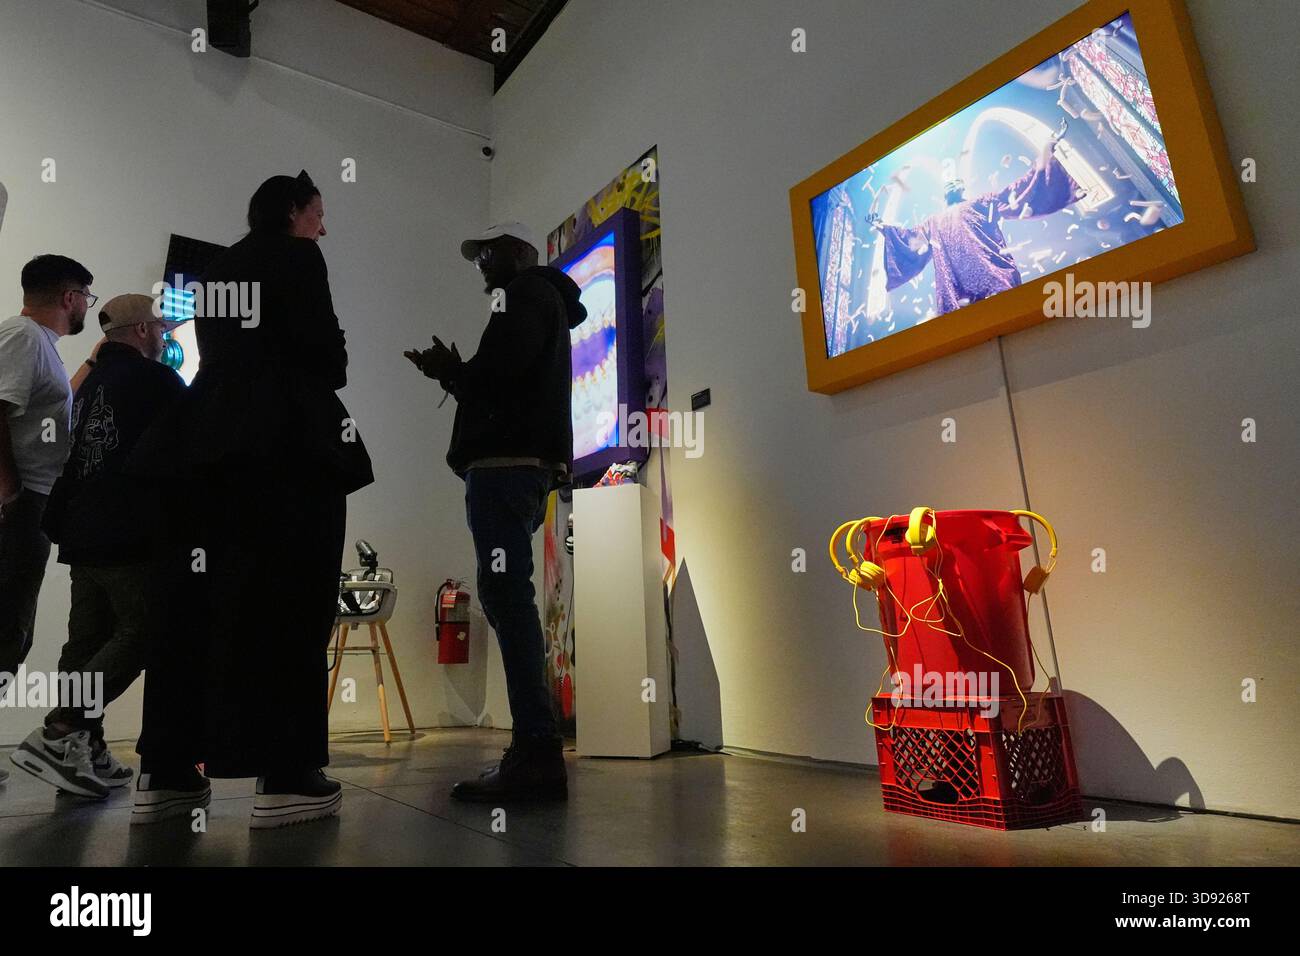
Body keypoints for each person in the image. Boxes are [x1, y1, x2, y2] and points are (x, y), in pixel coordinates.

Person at [132, 171, 373, 827]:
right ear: (294, 210)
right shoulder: (297, 255)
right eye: (319, 213)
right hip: (285, 446)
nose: (323, 227)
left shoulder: (217, 269)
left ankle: (168, 772)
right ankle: (288, 776)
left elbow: (226, 352)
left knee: (189, 610)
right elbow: (328, 357)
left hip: (200, 443)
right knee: (293, 603)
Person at [405, 221, 585, 802]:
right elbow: (507, 383)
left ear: (521, 252)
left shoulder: (527, 294)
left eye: (488, 251)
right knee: (509, 597)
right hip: (516, 470)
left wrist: (453, 372)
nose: (480, 261)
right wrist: (457, 373)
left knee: (508, 597)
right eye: (476, 252)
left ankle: (536, 750)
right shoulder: (536, 298)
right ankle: (535, 747)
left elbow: (500, 378)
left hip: (505, 470)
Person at [8, 295, 184, 799]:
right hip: (127, 531)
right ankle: (62, 729)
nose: (166, 338)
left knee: (85, 642)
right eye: (161, 329)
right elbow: (184, 449)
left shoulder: (82, 387)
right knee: (147, 629)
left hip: (79, 528)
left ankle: (81, 751)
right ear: (145, 331)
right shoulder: (158, 382)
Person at [0, 255, 94, 785]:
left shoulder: (42, 348)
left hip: (32, 503)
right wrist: (9, 490)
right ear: (69, 296)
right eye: (86, 296)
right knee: (7, 626)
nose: (86, 306)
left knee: (12, 627)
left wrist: (93, 364)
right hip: (21, 504)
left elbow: (49, 411)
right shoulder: (23, 338)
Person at [867, 118, 1078, 316]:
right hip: (958, 300)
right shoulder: (933, 223)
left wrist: (1047, 148)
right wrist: (880, 226)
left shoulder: (980, 203)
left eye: (955, 182)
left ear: (962, 188)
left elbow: (1021, 190)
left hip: (995, 285)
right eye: (948, 183)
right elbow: (909, 239)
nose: (952, 183)